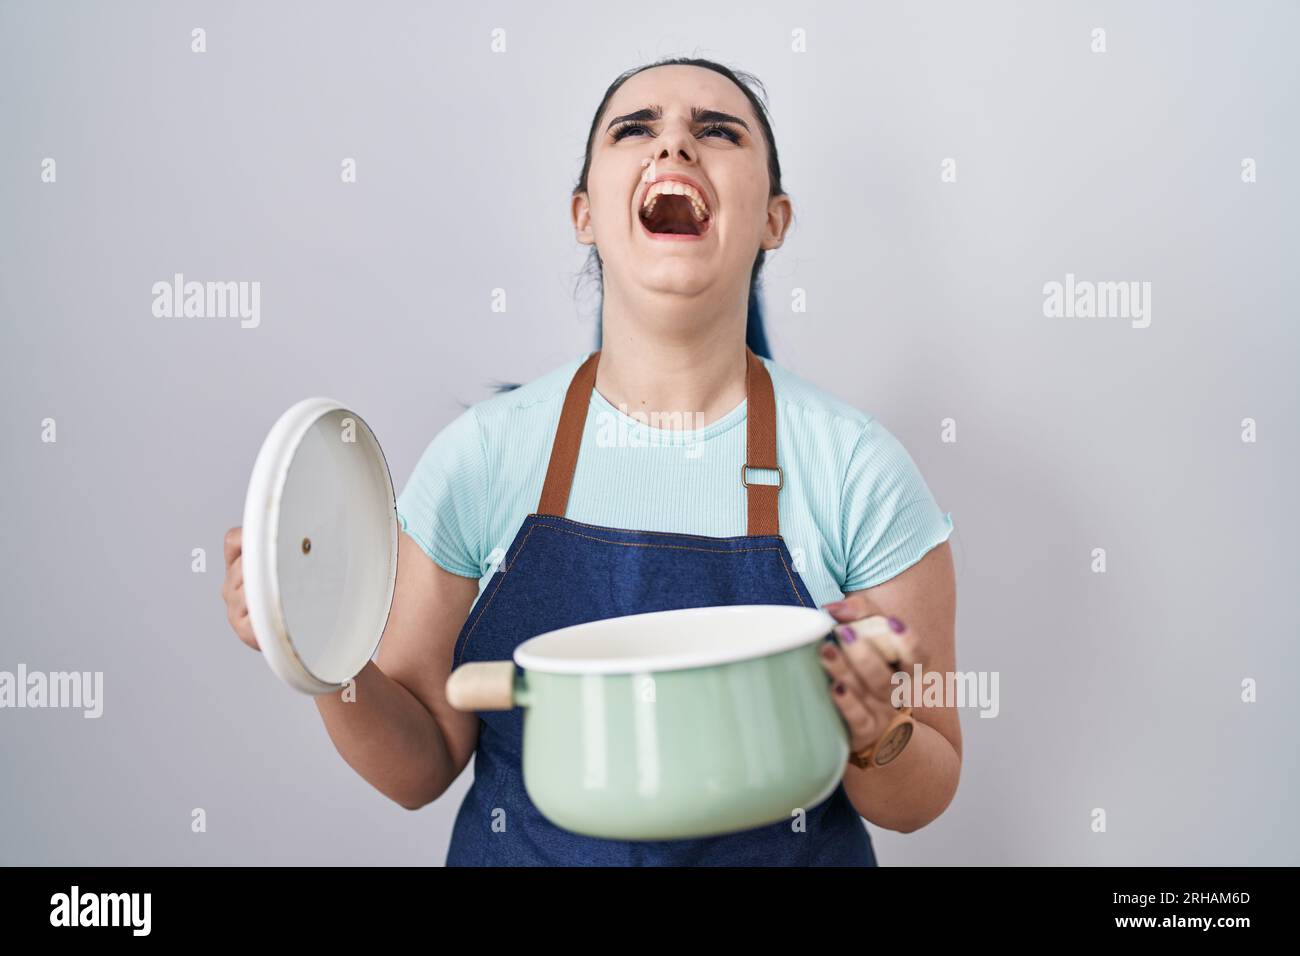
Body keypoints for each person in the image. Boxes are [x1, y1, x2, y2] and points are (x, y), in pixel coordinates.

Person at [221, 57, 960, 866]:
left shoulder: (859, 471)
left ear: (774, 221)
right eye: (634, 129)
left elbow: (922, 794)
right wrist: (322, 657)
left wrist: (873, 727)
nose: (673, 145)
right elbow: (421, 765)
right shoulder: (483, 459)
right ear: (584, 212)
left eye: (718, 131)